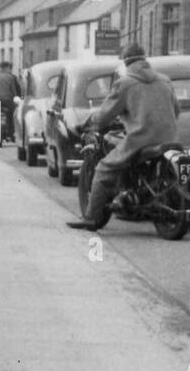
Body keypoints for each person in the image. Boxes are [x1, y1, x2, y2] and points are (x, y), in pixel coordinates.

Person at [66, 42, 179, 230]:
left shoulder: (125, 83)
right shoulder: (165, 80)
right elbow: (176, 110)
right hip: (169, 138)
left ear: (126, 62)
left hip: (141, 140)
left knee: (103, 168)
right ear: (144, 59)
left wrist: (87, 123)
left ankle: (91, 218)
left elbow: (104, 116)